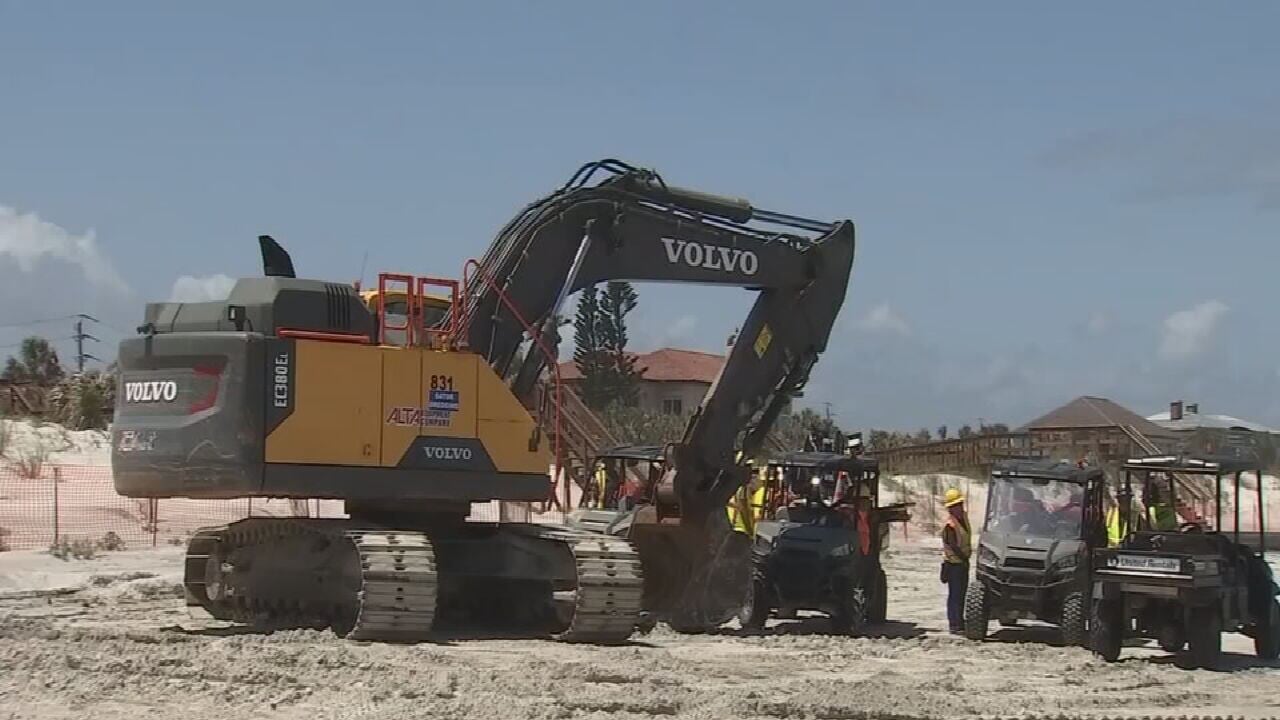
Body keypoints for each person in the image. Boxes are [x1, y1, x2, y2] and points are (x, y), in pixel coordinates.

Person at [940, 487, 972, 634]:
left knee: (961, 594)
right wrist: (964, 558)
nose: (959, 508)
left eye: (960, 505)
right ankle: (954, 624)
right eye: (955, 506)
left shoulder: (963, 518)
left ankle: (959, 621)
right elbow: (953, 545)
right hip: (953, 564)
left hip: (962, 563)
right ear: (950, 508)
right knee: (955, 595)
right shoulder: (950, 525)